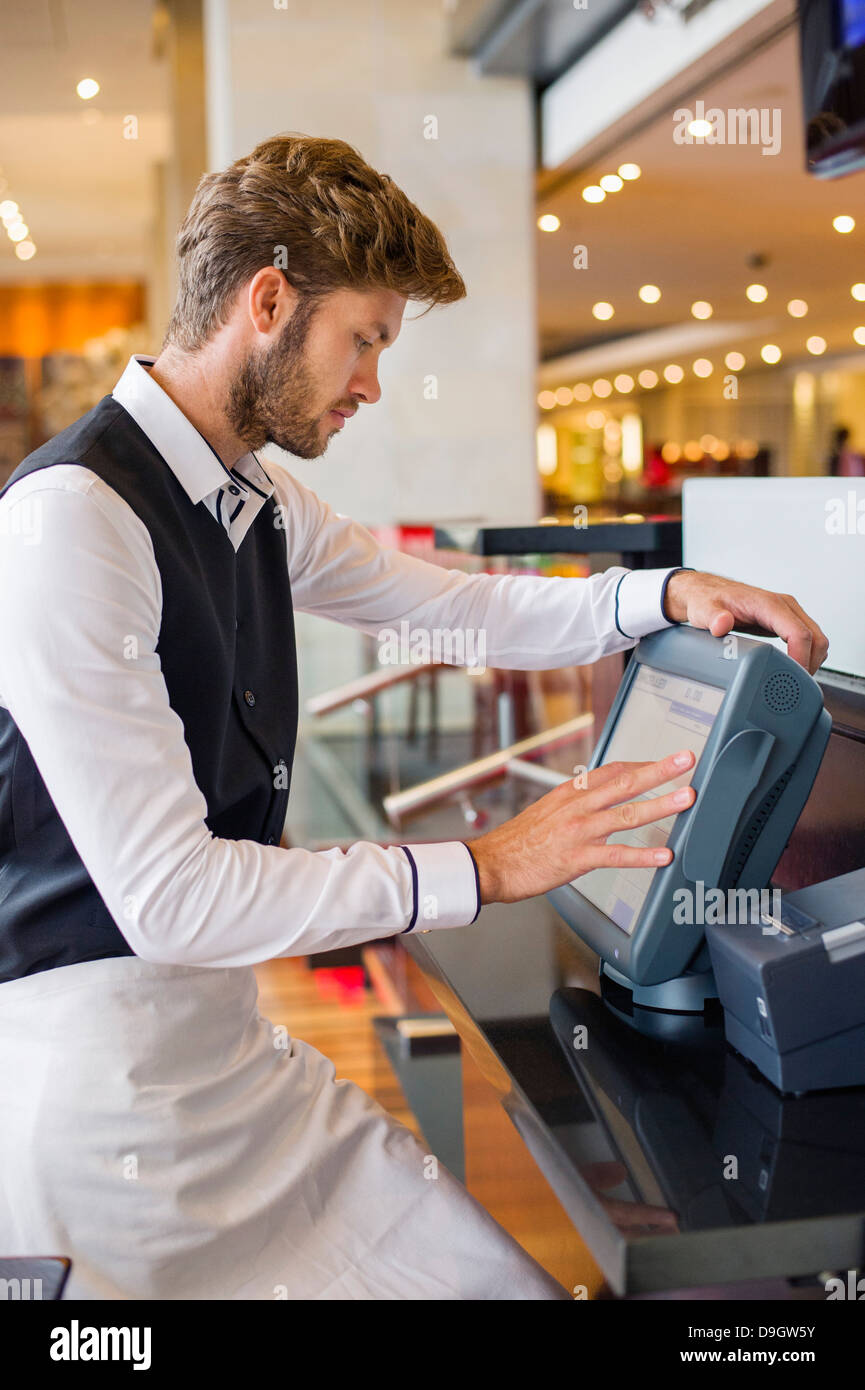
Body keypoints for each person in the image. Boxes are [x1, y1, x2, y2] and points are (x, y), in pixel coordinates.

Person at [0, 134, 829, 1301]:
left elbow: (446, 604)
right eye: (366, 338)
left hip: (226, 1056)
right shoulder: (73, 523)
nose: (373, 382)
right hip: (97, 1108)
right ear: (269, 300)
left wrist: (662, 593)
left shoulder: (251, 491)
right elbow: (173, 898)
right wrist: (484, 863)